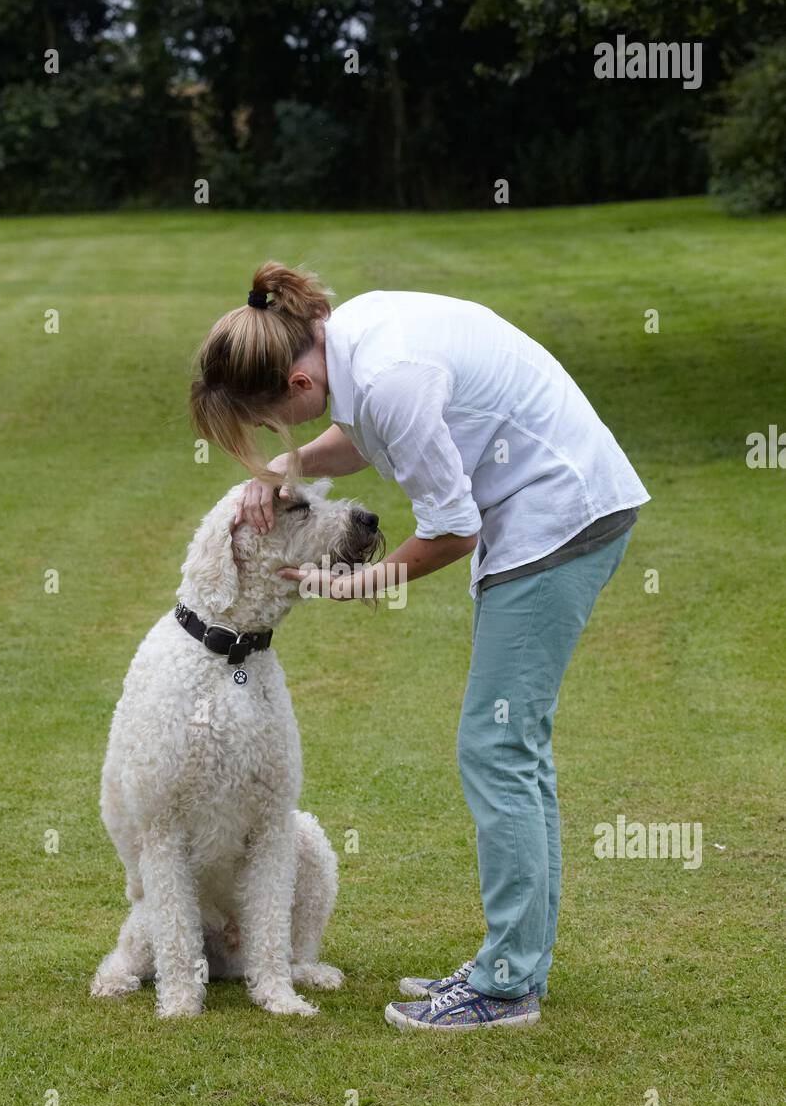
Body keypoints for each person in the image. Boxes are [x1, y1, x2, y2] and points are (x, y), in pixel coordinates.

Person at [190, 261, 649, 1031]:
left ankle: (505, 988)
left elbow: (453, 528)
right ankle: (515, 962)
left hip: (562, 516)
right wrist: (278, 471)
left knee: (499, 747)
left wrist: (357, 584)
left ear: (298, 385)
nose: (284, 437)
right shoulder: (354, 339)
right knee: (513, 747)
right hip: (563, 506)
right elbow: (361, 439)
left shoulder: (389, 373)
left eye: (274, 425)